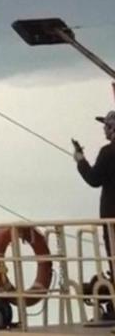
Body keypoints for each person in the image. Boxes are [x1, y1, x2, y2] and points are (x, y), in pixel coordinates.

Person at [75, 111, 115, 316]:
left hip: (112, 221)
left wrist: (80, 160)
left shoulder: (108, 153)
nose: (104, 130)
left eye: (107, 126)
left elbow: (94, 179)